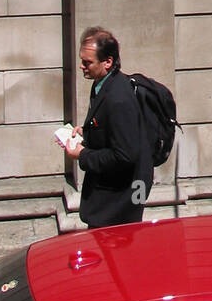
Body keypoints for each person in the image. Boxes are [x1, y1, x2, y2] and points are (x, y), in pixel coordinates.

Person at [62, 26, 154, 227]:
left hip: (118, 203)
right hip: (108, 196)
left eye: (88, 62)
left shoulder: (118, 98)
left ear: (108, 62)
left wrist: (82, 154)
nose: (82, 66)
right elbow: (111, 132)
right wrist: (86, 134)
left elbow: (124, 156)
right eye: (82, 61)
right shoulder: (102, 85)